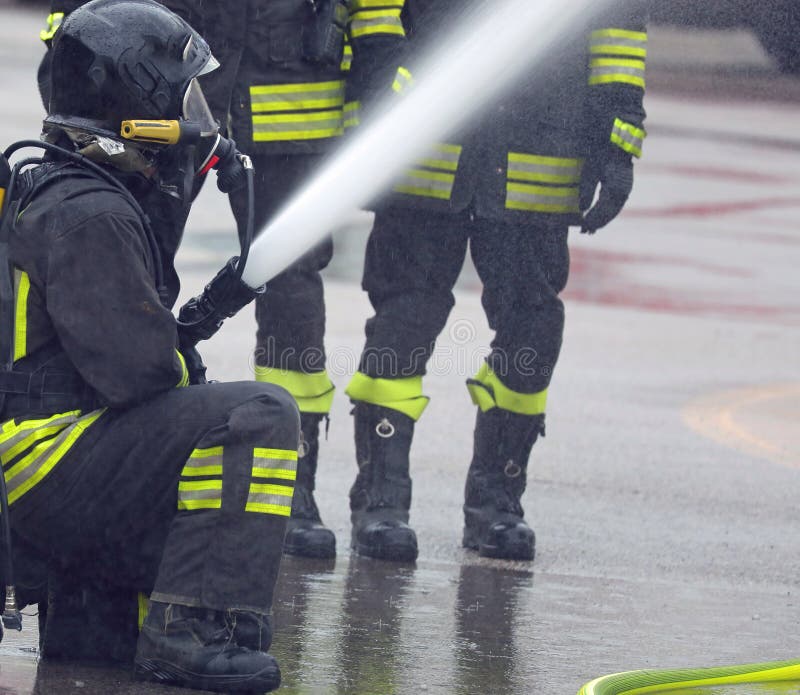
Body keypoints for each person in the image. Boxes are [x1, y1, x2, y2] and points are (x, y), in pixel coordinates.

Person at [0, 1, 301, 691]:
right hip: (43, 466)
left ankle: (106, 624)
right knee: (254, 414)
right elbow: (138, 373)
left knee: (179, 423)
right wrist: (179, 355)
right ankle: (194, 627)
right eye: (183, 95)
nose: (197, 118)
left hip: (33, 463)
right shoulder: (93, 214)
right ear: (132, 105)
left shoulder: (50, 188)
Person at [344, 0, 648, 562]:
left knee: (533, 326)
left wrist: (617, 139)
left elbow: (617, 32)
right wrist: (387, 79)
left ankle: (497, 501)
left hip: (541, 148)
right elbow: (375, 12)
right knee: (404, 317)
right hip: (430, 142)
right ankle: (380, 500)